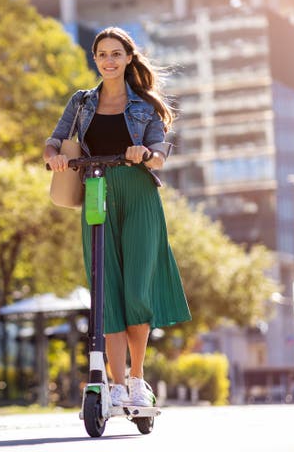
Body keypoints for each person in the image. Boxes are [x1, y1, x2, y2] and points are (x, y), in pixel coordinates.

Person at [43, 26, 191, 407]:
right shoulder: (81, 103)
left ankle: (137, 379)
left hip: (139, 196)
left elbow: (160, 153)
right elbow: (54, 141)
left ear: (128, 59)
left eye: (115, 54)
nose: (108, 61)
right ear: (95, 59)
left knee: (137, 290)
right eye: (102, 54)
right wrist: (54, 157)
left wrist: (144, 154)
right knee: (106, 292)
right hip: (97, 192)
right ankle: (117, 384)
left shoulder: (146, 106)